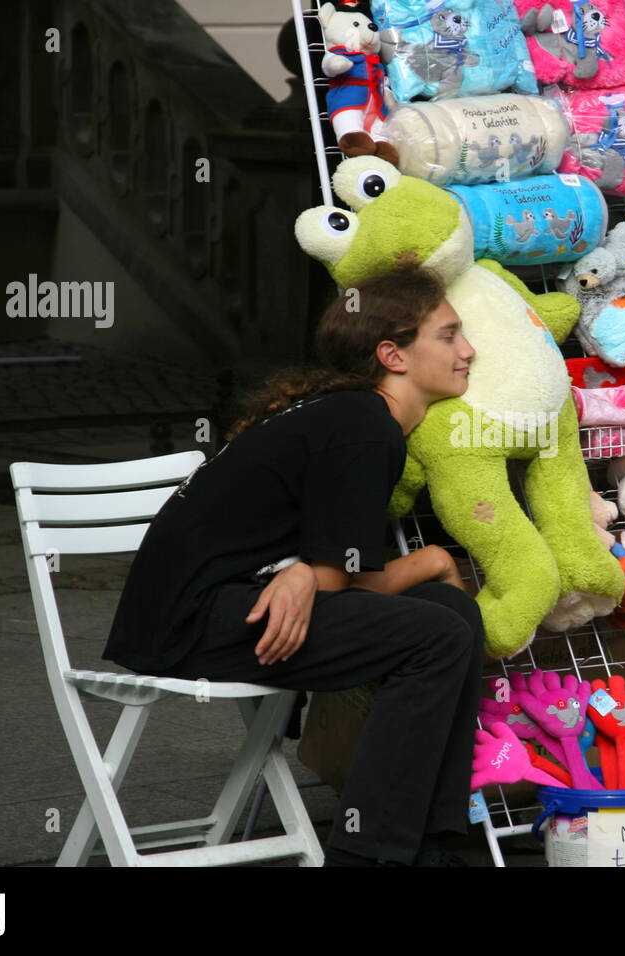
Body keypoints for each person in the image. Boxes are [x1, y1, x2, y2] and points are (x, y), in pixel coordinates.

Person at [103, 268, 484, 867]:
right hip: (196, 621)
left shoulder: (356, 417)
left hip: (239, 601)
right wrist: (335, 569)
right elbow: (337, 578)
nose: (468, 351)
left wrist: (310, 570)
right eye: (449, 336)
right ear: (393, 355)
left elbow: (339, 573)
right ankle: (368, 856)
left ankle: (435, 844)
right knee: (435, 636)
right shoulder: (364, 427)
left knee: (451, 610)